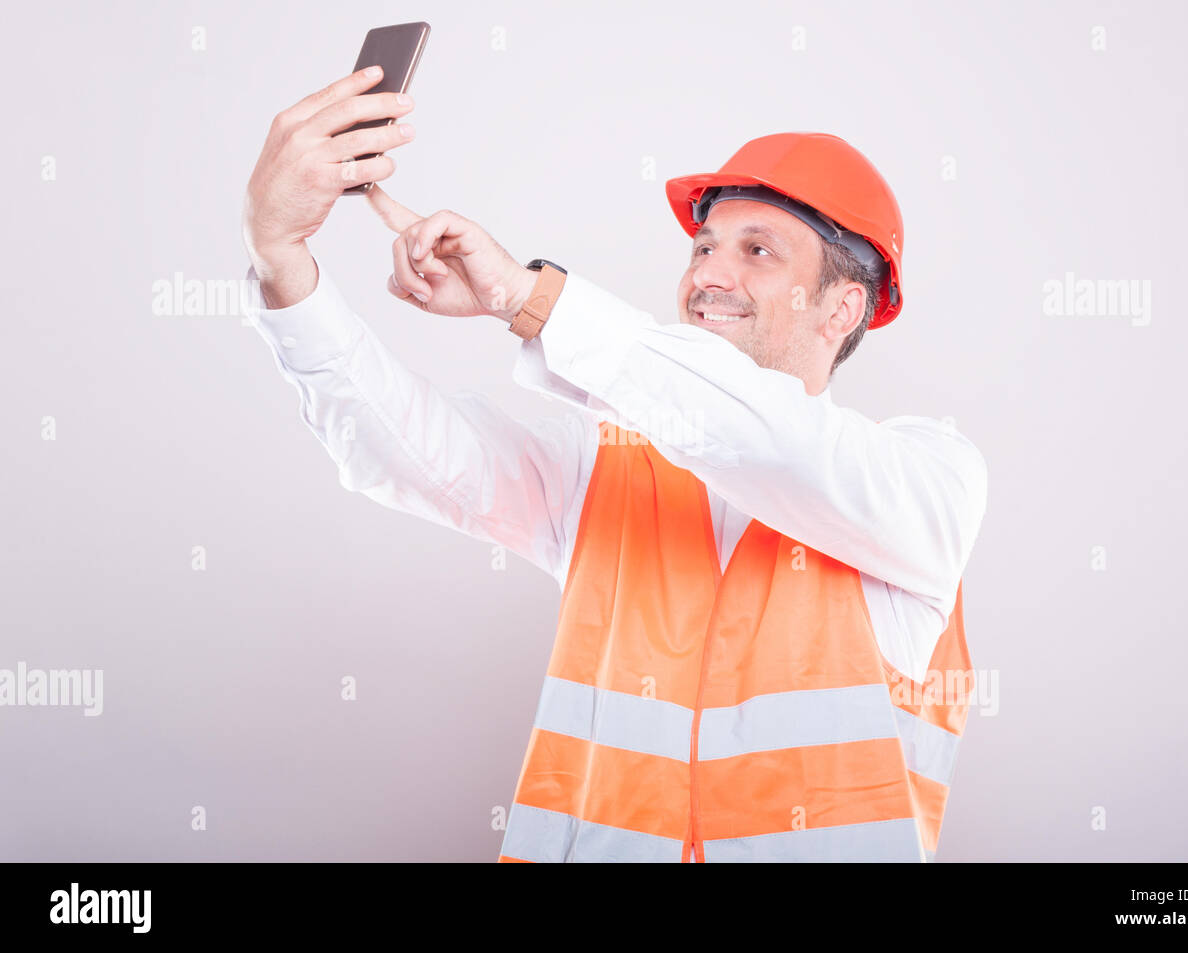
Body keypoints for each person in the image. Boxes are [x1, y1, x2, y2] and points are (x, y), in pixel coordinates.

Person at [241, 66, 989, 863]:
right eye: (703, 246)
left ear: (842, 308)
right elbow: (404, 446)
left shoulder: (926, 481)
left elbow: (769, 439)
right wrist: (282, 259)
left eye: (757, 250)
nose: (707, 272)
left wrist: (526, 297)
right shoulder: (606, 468)